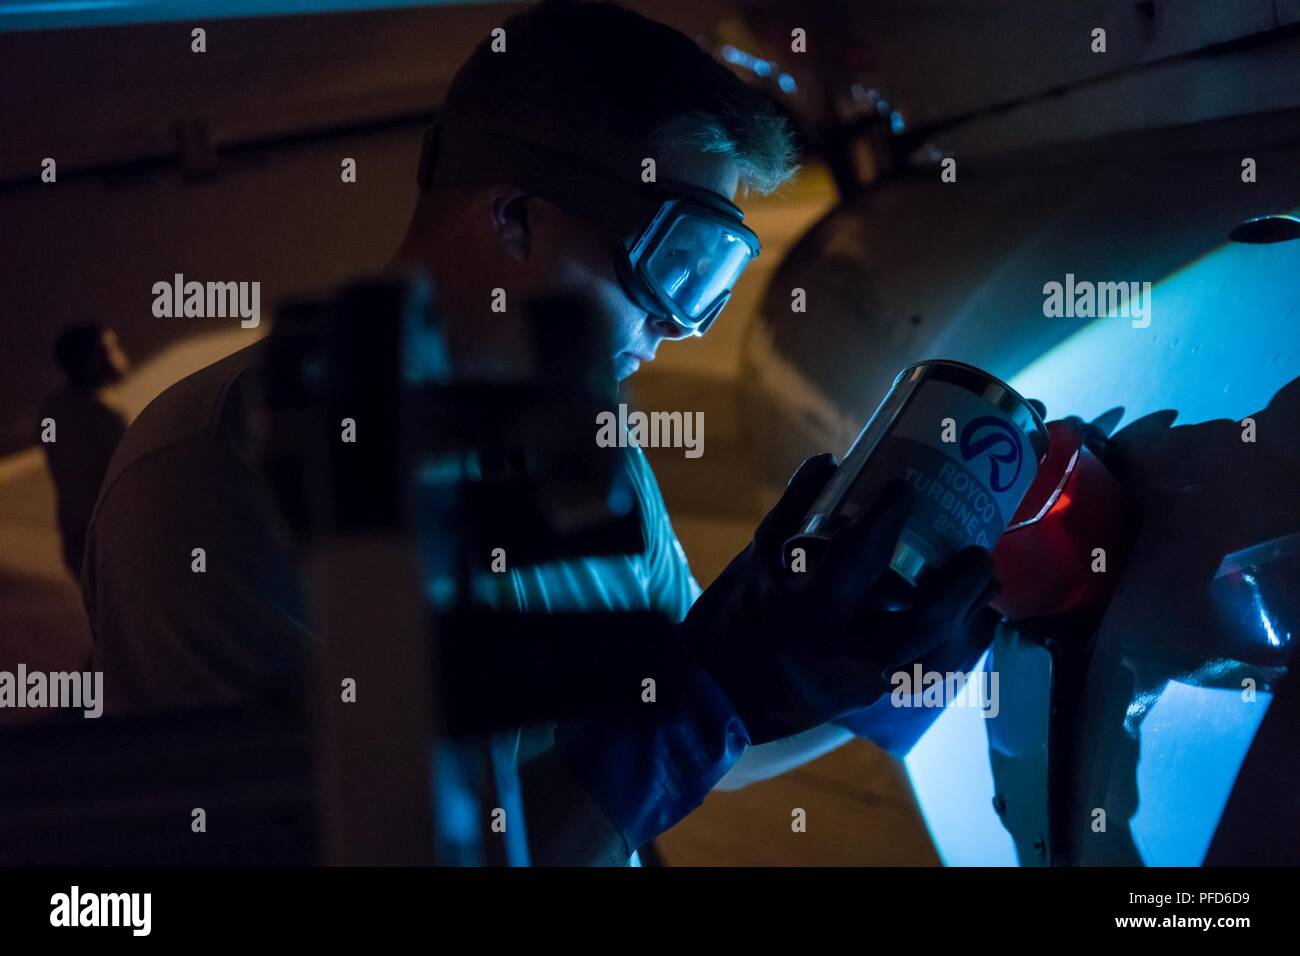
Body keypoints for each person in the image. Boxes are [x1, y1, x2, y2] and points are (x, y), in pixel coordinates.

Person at [84, 0, 996, 864]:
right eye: (677, 262)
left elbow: (693, 737)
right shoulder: (209, 482)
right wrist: (711, 696)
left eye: (714, 277)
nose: (682, 324)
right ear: (517, 218)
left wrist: (874, 673)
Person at [40, 323, 129, 579]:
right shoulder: (104, 414)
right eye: (108, 350)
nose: (117, 356)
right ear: (90, 361)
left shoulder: (52, 409)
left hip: (75, 531)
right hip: (110, 534)